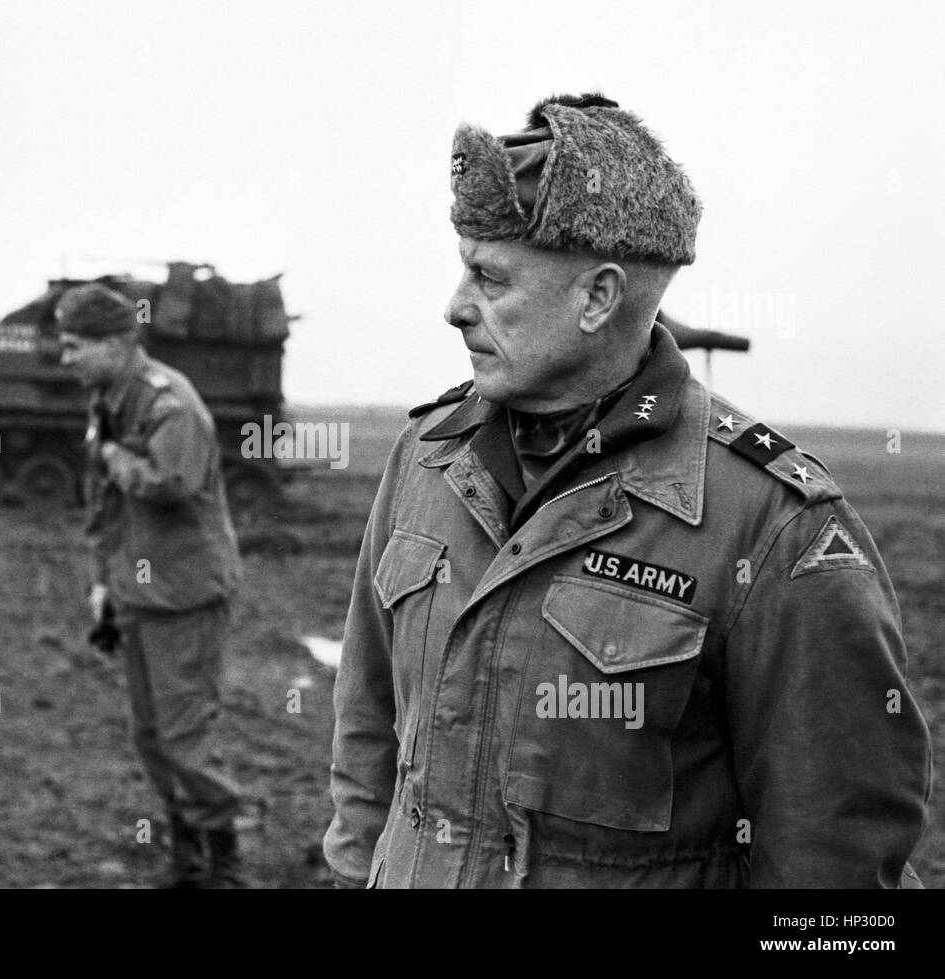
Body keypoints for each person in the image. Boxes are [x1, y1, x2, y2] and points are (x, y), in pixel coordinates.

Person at [323, 92, 931, 888]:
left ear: (598, 298)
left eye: (489, 277)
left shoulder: (770, 526)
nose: (455, 306)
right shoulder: (427, 459)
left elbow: (834, 864)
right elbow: (368, 731)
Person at [56, 282, 246, 888]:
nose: (66, 360)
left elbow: (172, 479)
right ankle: (188, 861)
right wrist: (102, 586)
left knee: (184, 736)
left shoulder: (169, 403)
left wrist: (115, 458)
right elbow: (105, 508)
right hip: (138, 592)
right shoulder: (110, 397)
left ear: (115, 343)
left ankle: (224, 864)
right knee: (150, 736)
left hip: (184, 594)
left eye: (73, 346)